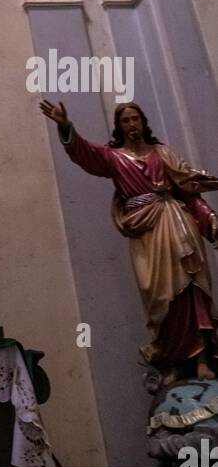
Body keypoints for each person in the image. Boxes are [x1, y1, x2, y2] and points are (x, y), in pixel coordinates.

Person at [40, 100, 218, 383]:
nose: (131, 124)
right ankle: (170, 360)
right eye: (126, 120)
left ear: (143, 122)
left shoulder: (163, 154)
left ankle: (201, 360)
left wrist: (210, 219)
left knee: (191, 289)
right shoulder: (114, 157)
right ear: (119, 126)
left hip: (177, 224)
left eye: (135, 119)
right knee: (160, 297)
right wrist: (65, 126)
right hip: (146, 233)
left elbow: (188, 188)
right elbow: (86, 154)